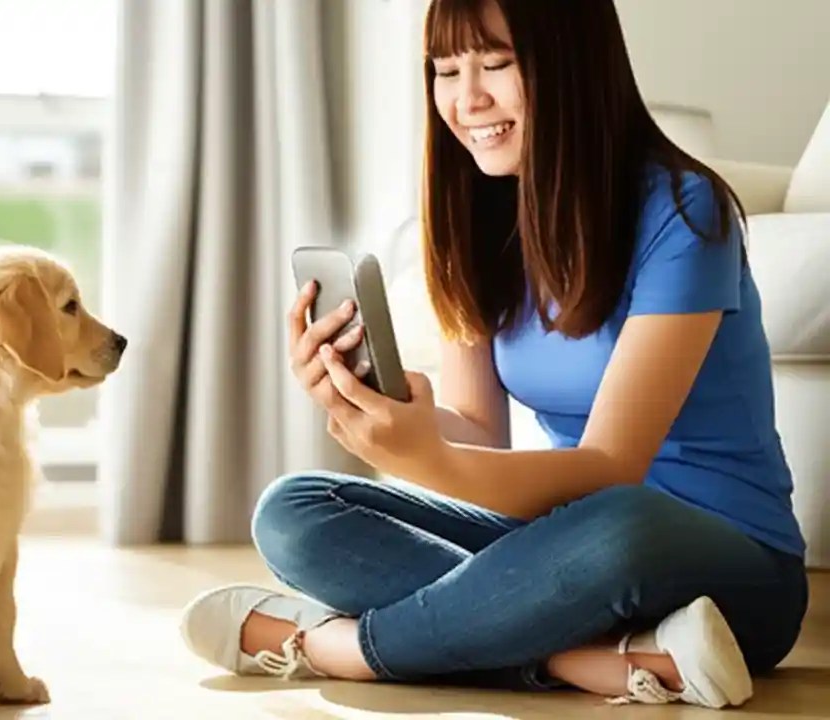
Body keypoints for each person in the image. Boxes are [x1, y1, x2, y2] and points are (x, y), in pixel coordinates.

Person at [178, 0, 808, 709]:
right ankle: (588, 658)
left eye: (497, 64)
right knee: (294, 508)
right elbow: (480, 430)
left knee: (622, 522)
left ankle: (342, 648)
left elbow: (610, 469)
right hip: (562, 546)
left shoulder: (686, 212)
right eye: (446, 69)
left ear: (572, 66)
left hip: (727, 567)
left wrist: (428, 459)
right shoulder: (479, 218)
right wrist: (379, 408)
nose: (466, 98)